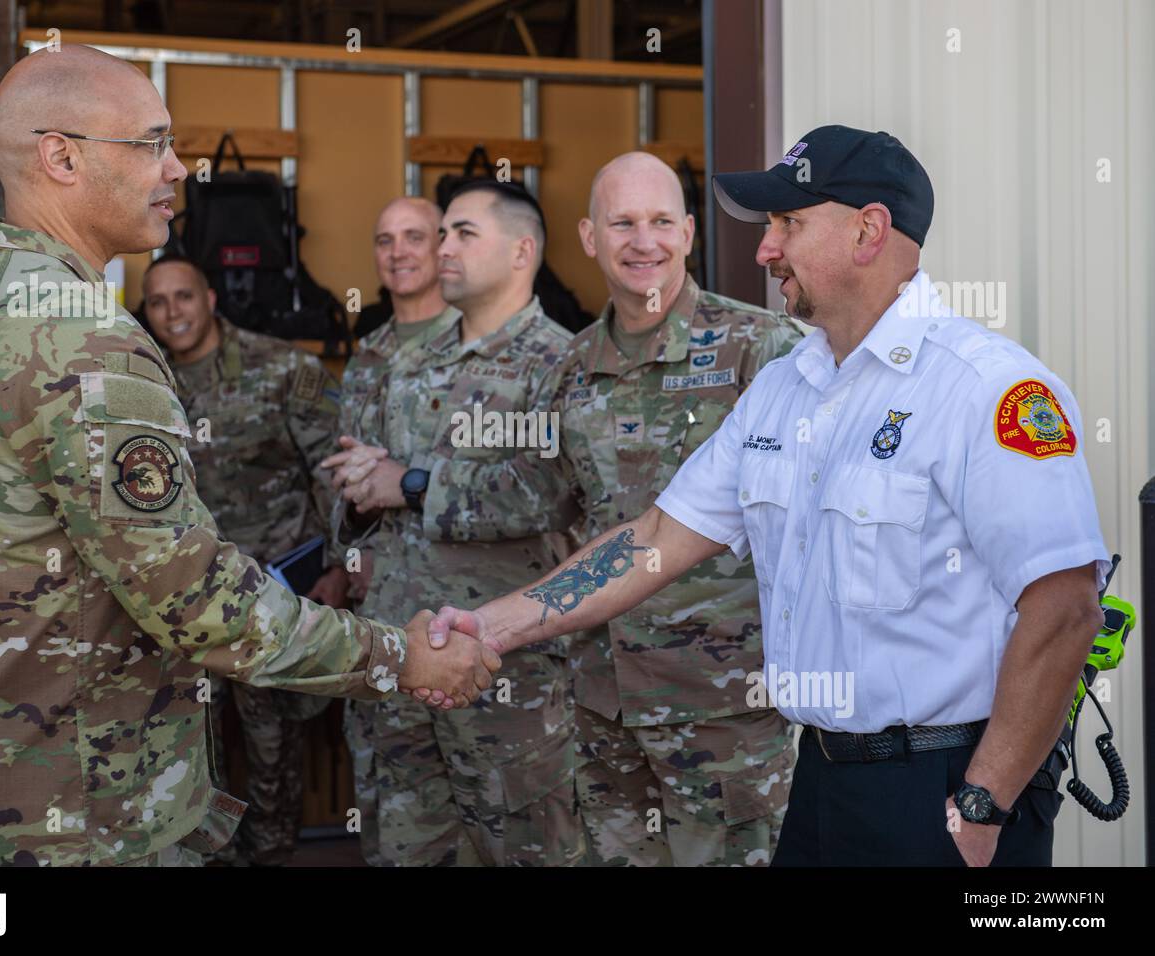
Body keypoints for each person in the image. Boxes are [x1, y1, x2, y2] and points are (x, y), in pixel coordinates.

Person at [0, 43, 497, 868]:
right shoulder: (81, 336)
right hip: (70, 821)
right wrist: (399, 655)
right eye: (152, 143)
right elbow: (194, 600)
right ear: (61, 157)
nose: (177, 166)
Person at [424, 125, 1109, 867]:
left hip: (943, 784)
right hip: (818, 776)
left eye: (789, 224)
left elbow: (1064, 606)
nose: (764, 249)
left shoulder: (989, 389)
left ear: (868, 231)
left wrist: (983, 803)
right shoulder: (787, 388)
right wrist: (489, 625)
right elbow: (654, 541)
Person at [413, 152, 803, 866]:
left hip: (723, 710)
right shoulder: (569, 367)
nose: (642, 241)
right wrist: (416, 486)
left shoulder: (761, 350)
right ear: (590, 238)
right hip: (602, 701)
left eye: (660, 222)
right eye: (622, 222)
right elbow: (539, 495)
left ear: (689, 233)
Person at [324, 180, 584, 866]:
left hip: (503, 672)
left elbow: (549, 492)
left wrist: (407, 483)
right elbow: (364, 494)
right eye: (443, 233)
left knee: (521, 847)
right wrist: (358, 494)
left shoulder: (560, 365)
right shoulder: (407, 364)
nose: (443, 247)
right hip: (400, 656)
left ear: (522, 250)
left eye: (463, 233)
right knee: (403, 848)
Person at [141, 253, 350, 865]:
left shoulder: (283, 369)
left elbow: (333, 474)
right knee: (189, 743)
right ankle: (215, 859)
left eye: (183, 296)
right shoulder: (142, 380)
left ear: (209, 297)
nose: (172, 312)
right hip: (181, 603)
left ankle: (272, 855)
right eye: (157, 302)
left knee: (271, 743)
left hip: (272, 594)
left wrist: (341, 567)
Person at [329, 197, 459, 604]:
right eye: (385, 241)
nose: (397, 252)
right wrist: (355, 553)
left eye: (413, 238)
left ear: (443, 247)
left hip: (461, 591)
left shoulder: (480, 344)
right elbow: (346, 477)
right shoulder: (368, 355)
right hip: (381, 599)